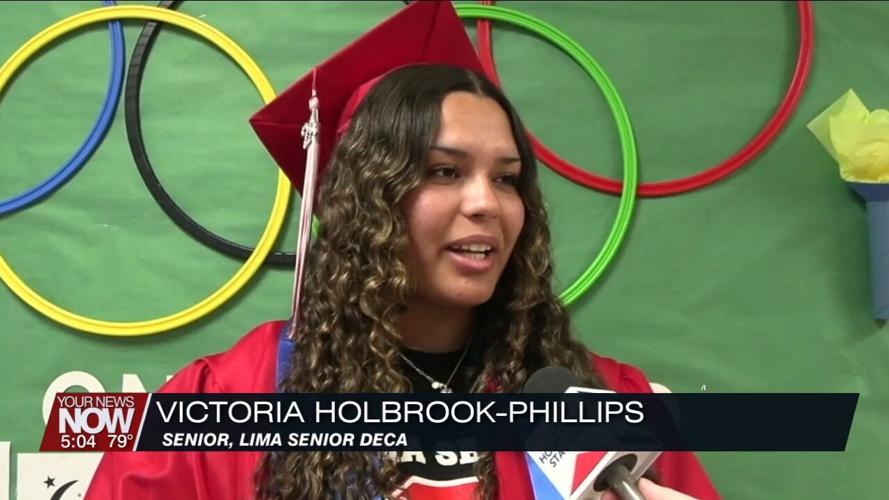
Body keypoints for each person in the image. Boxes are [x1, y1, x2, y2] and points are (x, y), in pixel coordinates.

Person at [86, 2, 719, 499]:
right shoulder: (226, 402)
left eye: (506, 178)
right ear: (364, 204)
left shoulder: (598, 403)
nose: (486, 203)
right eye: (444, 171)